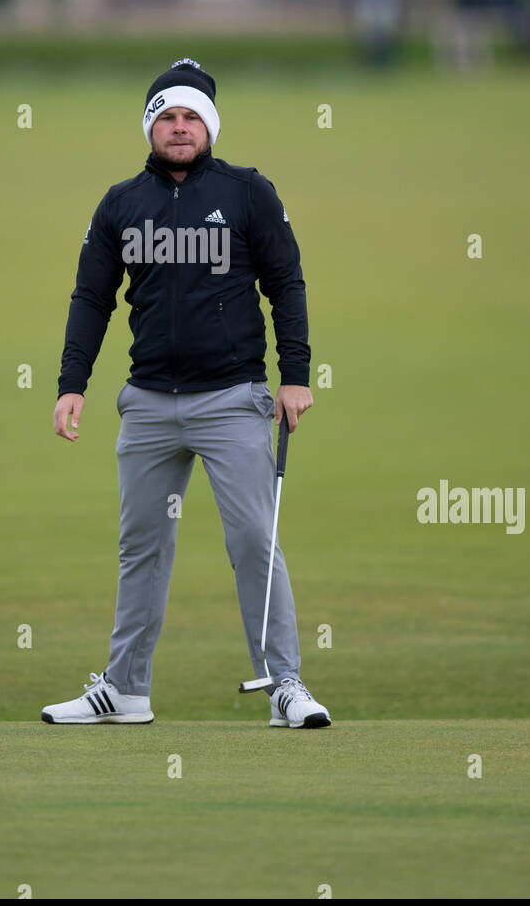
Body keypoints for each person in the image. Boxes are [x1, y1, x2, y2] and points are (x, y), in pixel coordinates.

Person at [45, 59, 331, 730]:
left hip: (232, 398)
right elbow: (92, 298)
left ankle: (285, 685)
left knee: (255, 538)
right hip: (147, 403)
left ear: (209, 127)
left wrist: (295, 375)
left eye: (190, 118)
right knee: (141, 544)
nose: (179, 128)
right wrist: (71, 385)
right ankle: (125, 689)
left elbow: (285, 283)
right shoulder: (121, 203)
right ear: (151, 128)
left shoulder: (246, 192)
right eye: (167, 118)